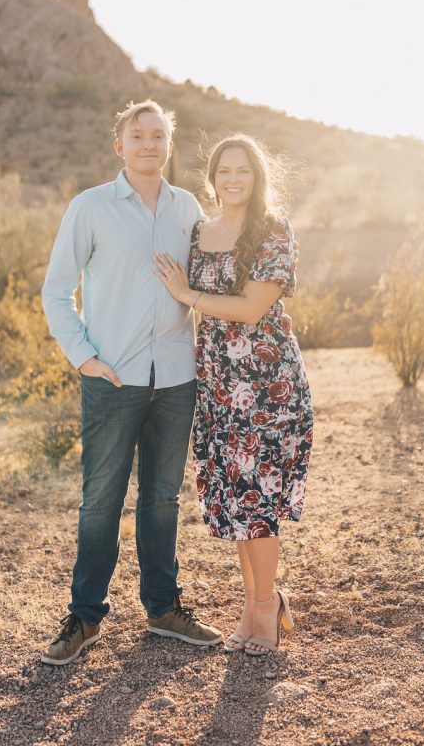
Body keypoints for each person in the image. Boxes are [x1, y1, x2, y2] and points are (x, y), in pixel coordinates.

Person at [39, 99, 223, 665]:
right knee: (101, 501)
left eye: (159, 135)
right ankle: (85, 617)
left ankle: (164, 609)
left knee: (163, 497)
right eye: (137, 135)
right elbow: (56, 290)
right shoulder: (91, 208)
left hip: (174, 376)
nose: (149, 144)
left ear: (169, 146)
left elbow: (212, 273)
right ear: (119, 146)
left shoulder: (188, 207)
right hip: (111, 377)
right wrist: (84, 357)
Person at [153, 134, 314, 656]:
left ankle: (265, 610)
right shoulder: (200, 233)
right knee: (238, 503)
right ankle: (256, 605)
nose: (233, 179)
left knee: (260, 500)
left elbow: (250, 309)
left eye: (243, 170)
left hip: (268, 386)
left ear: (257, 176)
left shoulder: (274, 232)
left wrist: (187, 295)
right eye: (224, 170)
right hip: (220, 383)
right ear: (213, 177)